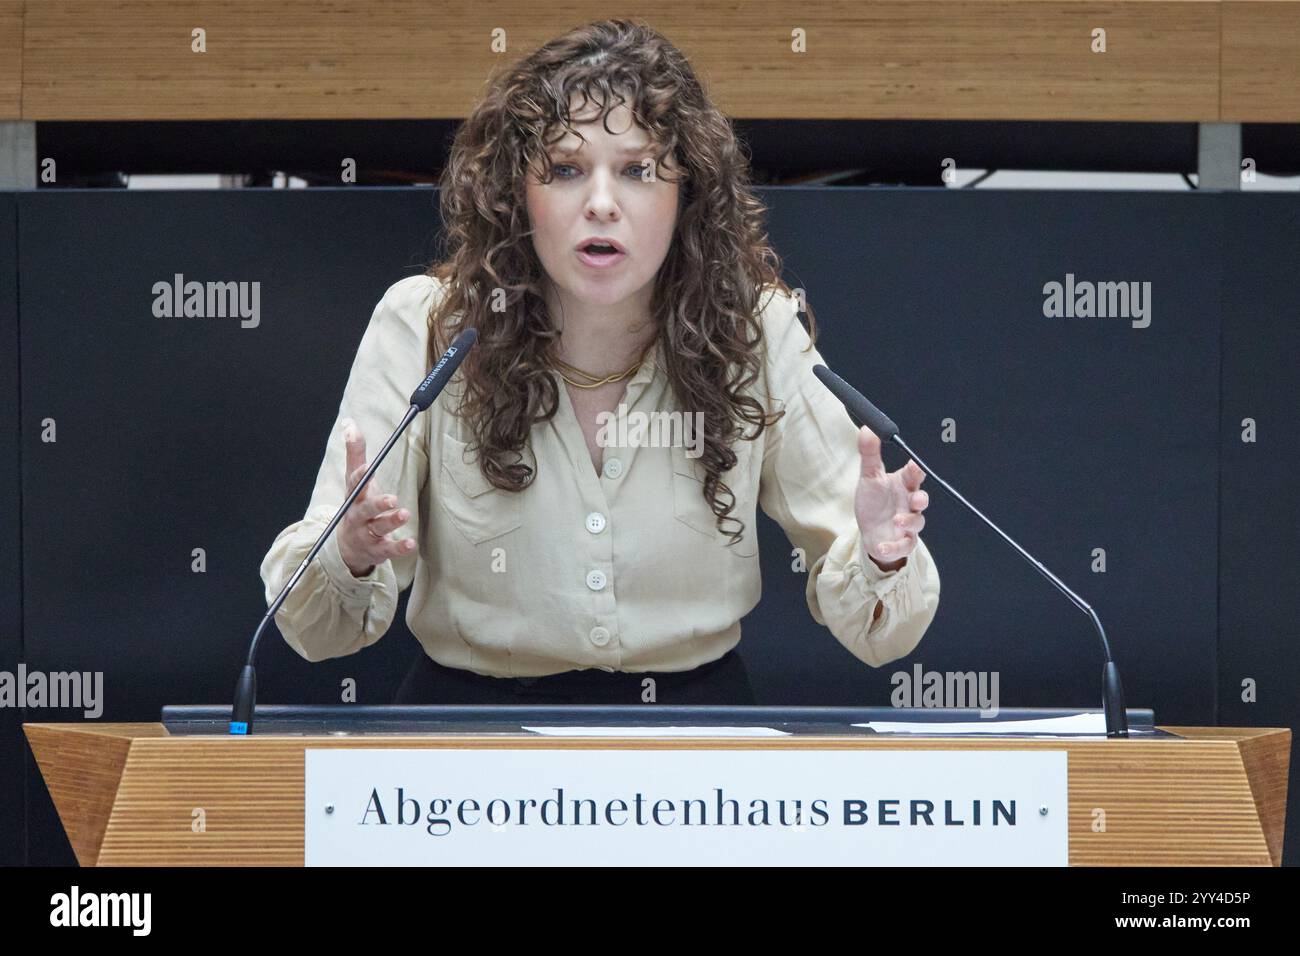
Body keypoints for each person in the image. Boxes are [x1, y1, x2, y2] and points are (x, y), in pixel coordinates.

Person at [260, 19, 940, 707]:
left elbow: (878, 631)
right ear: (515, 195)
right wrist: (346, 551)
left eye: (639, 171)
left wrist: (883, 551)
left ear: (687, 195)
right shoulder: (430, 326)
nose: (603, 204)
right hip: (466, 743)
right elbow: (316, 630)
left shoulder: (753, 329)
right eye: (565, 170)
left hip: (694, 744)